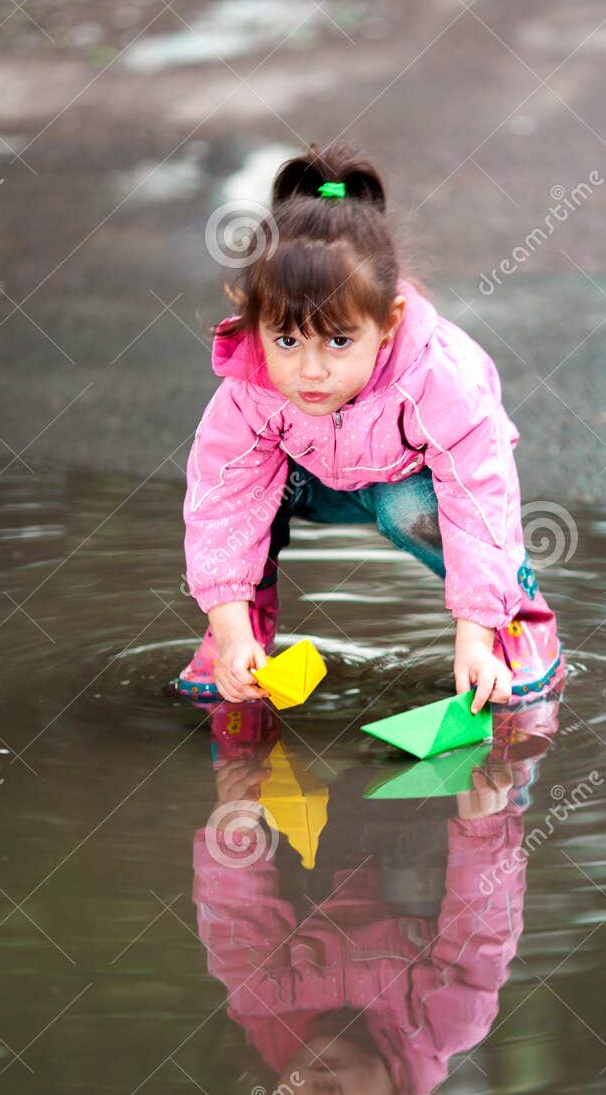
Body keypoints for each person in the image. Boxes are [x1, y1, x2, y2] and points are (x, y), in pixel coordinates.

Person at [174, 141, 563, 709]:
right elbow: (222, 500)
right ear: (256, 319)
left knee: (408, 511)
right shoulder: (251, 386)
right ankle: (244, 639)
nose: (310, 370)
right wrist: (229, 626)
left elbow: (479, 500)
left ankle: (514, 620)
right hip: (311, 479)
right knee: (250, 492)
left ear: (387, 322)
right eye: (286, 339)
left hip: (410, 483)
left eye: (338, 340)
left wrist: (473, 636)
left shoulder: (436, 377)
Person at [191, 699, 560, 1095]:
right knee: (504, 762)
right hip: (455, 823)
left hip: (338, 840)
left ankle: (254, 712)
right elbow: (483, 919)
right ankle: (523, 708)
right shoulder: (444, 1024)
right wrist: (483, 821)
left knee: (267, 792)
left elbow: (235, 914)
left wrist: (236, 821)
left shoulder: (264, 1006)